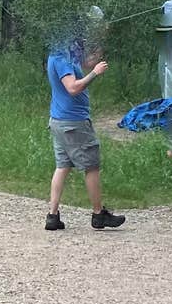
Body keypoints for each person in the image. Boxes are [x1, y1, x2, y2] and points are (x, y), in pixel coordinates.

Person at [44, 25, 126, 232]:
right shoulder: (61, 58)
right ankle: (99, 215)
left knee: (62, 166)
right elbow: (73, 87)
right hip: (74, 123)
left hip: (59, 121)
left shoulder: (62, 55)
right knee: (92, 166)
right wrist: (95, 73)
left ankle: (52, 217)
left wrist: (96, 57)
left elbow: (83, 64)